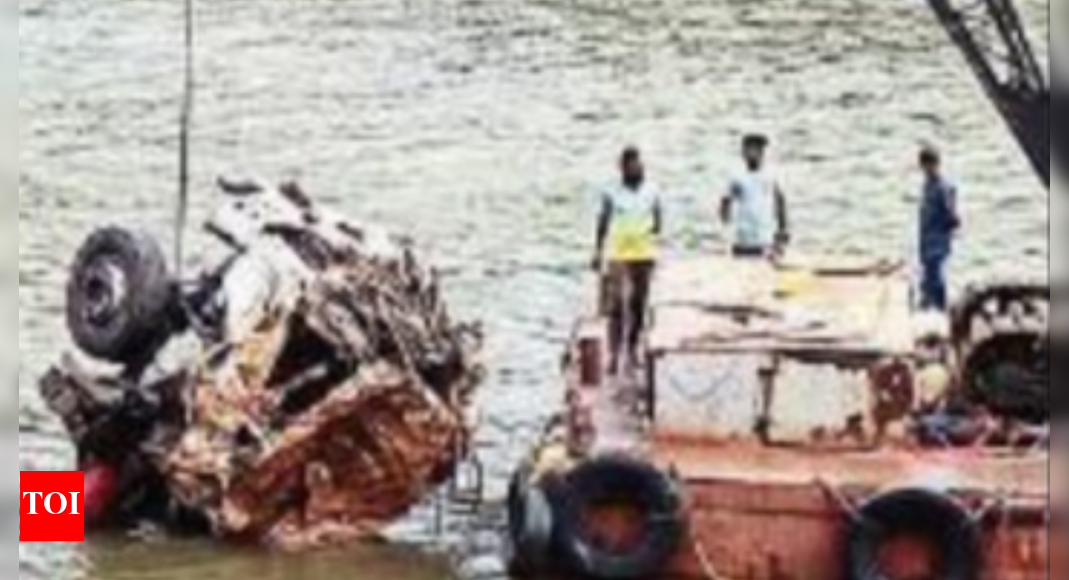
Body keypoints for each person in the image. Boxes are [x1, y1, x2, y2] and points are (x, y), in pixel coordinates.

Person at [592, 147, 663, 375]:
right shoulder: (611, 191)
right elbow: (603, 221)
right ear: (622, 168)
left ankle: (632, 349)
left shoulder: (652, 190)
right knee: (617, 305)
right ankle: (614, 353)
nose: (636, 169)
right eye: (631, 166)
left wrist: (654, 243)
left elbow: (658, 219)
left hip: (644, 253)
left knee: (639, 304)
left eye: (639, 165)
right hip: (619, 254)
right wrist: (597, 251)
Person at [721, 134, 790, 258]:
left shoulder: (771, 174)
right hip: (742, 237)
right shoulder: (736, 176)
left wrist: (782, 229)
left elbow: (780, 201)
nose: (753, 153)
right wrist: (726, 229)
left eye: (757, 150)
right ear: (743, 153)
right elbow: (725, 203)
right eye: (749, 149)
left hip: (765, 237)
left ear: (762, 153)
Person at [917, 146, 961, 311]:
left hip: (937, 239)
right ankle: (928, 306)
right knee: (929, 274)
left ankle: (940, 309)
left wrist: (949, 224)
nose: (925, 169)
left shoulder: (942, 187)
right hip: (927, 237)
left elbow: (952, 215)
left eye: (928, 165)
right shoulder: (928, 183)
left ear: (935, 164)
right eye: (923, 166)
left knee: (935, 276)